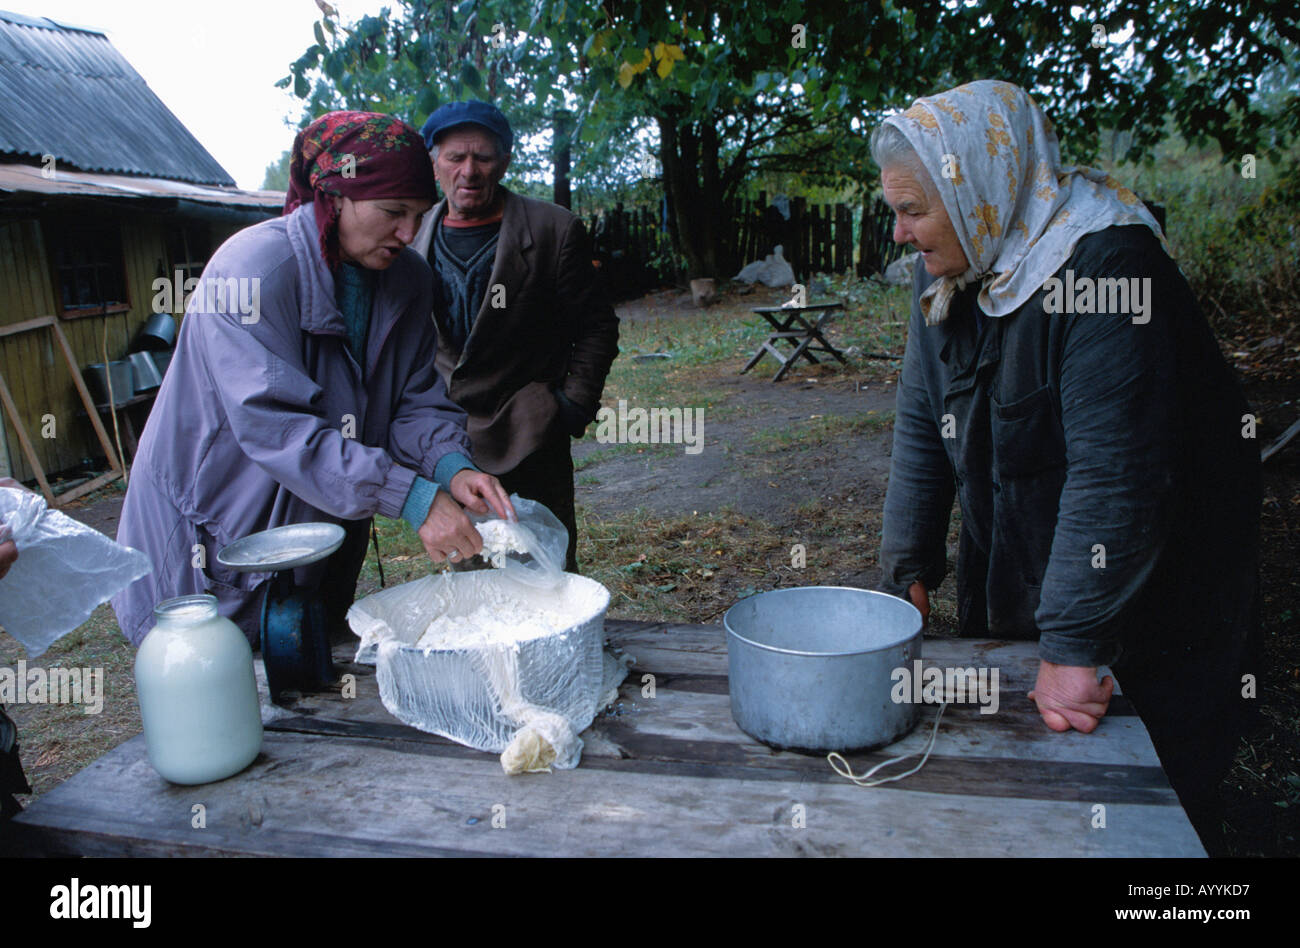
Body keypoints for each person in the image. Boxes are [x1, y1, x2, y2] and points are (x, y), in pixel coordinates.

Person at [874, 80, 1260, 851]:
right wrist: (904, 570)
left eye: (912, 210)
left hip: (1153, 598)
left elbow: (1120, 474)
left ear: (978, 189)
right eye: (895, 211)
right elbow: (924, 422)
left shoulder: (1109, 268)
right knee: (1026, 794)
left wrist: (1076, 645)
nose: (898, 234)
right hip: (1024, 557)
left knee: (1147, 805)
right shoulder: (951, 266)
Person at [112, 111, 513, 649]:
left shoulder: (408, 281)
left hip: (319, 530)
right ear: (334, 197)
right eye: (393, 211)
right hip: (213, 530)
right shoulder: (251, 273)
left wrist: (451, 467)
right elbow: (277, 428)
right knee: (211, 681)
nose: (408, 233)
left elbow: (414, 401)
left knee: (307, 683)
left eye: (420, 214)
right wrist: (412, 498)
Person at [410, 100, 619, 571]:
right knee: (469, 574)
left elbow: (595, 327)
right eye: (455, 158)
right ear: (434, 161)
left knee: (545, 570)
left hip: (530, 433)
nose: (470, 171)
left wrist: (569, 407)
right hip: (448, 441)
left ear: (504, 161)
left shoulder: (553, 230)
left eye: (483, 157)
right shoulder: (412, 234)